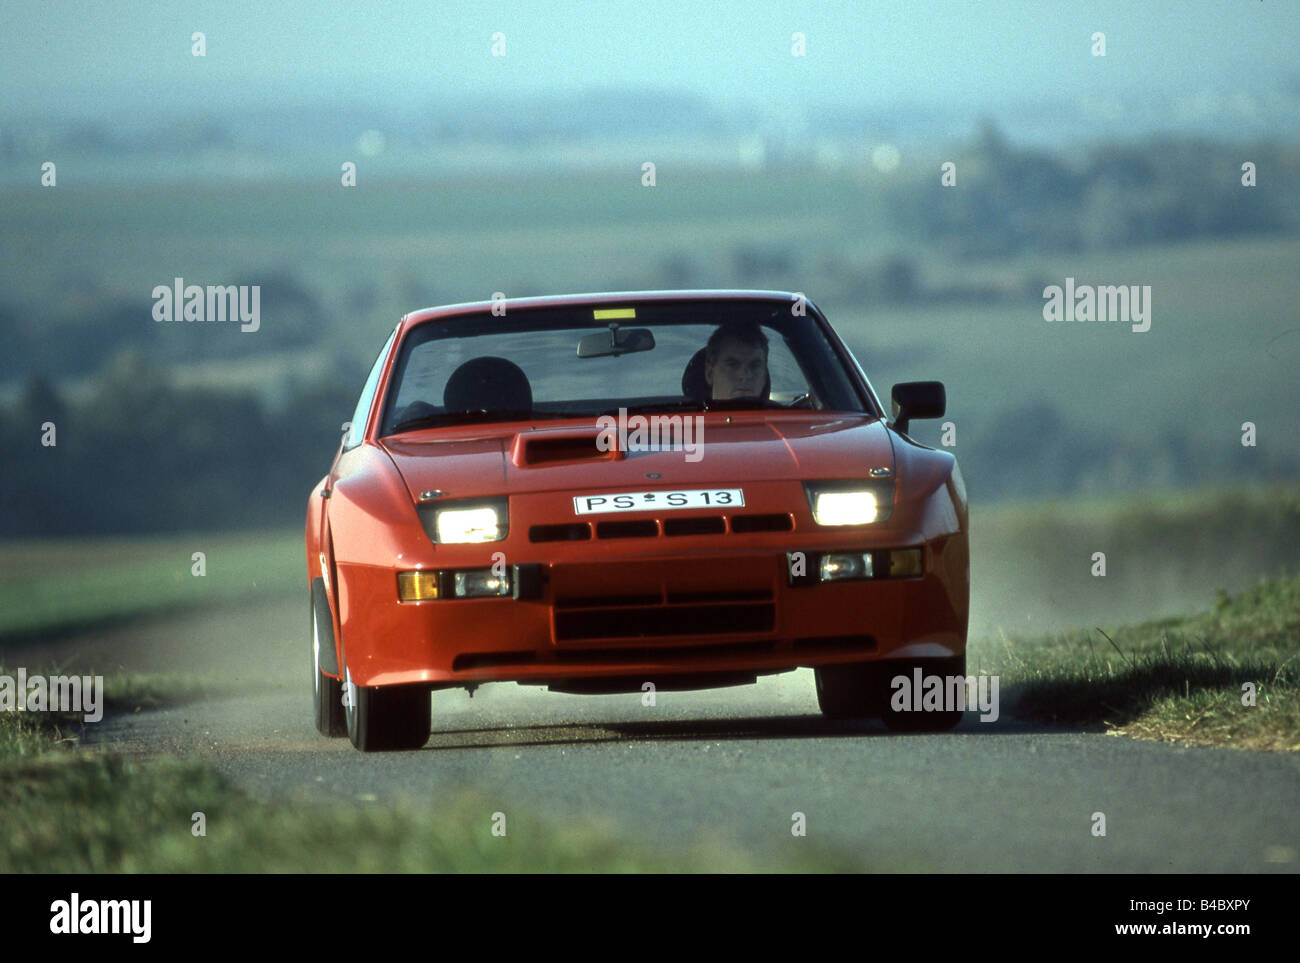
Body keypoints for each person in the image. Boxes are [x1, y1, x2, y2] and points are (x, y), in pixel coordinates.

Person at [704, 323, 769, 400]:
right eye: (732, 365)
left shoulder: (782, 411)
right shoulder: (688, 411)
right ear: (710, 374)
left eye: (755, 366)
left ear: (764, 376)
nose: (745, 376)